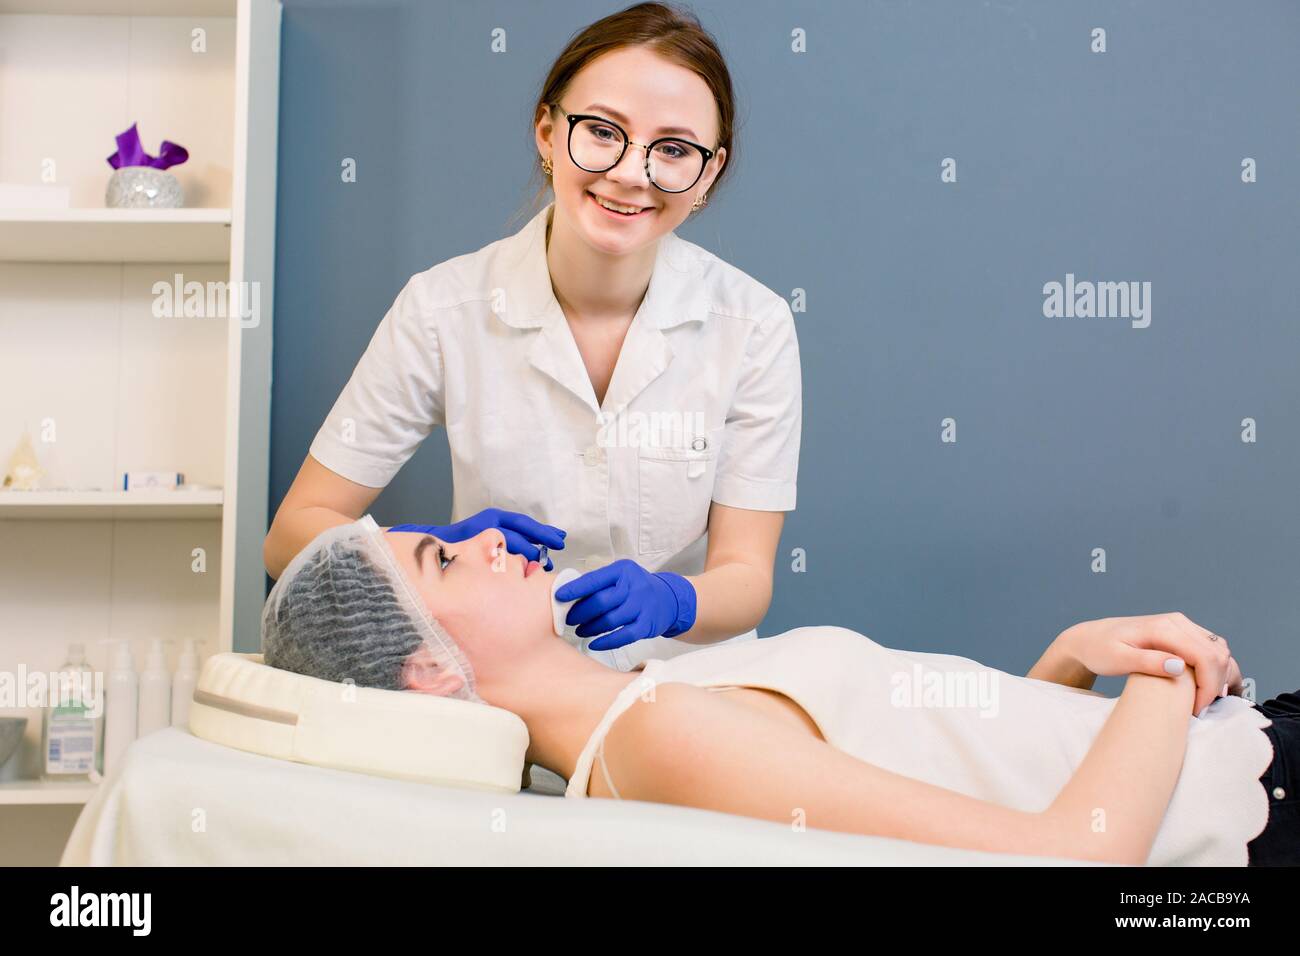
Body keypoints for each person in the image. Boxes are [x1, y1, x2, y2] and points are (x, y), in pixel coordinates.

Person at [261, 516, 1296, 866]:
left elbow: (942, 801)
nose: (488, 536)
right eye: (442, 558)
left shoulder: (647, 696)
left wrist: (1069, 659)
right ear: (430, 668)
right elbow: (1074, 859)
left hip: (1239, 755)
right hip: (1258, 802)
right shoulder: (653, 738)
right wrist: (1163, 681)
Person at [263, 2, 801, 673]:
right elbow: (289, 538)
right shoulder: (442, 309)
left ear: (708, 174)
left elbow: (746, 578)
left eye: (673, 149)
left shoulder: (754, 326)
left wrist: (674, 601)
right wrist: (423, 543)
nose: (633, 173)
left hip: (692, 687)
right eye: (603, 131)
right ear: (547, 132)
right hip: (507, 690)